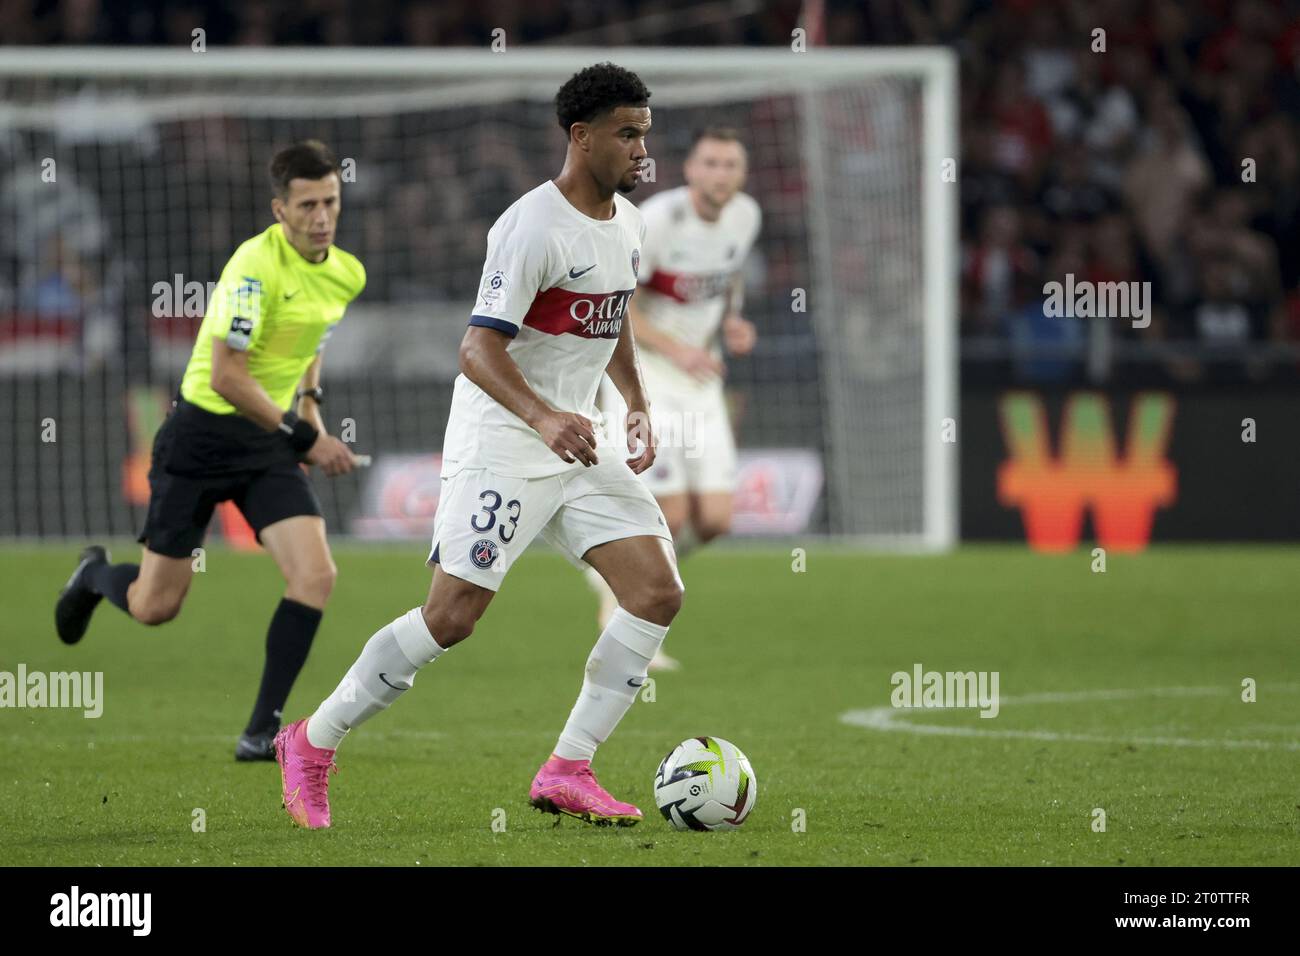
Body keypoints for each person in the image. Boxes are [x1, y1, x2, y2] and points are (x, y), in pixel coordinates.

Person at [273, 63, 682, 830]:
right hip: (505, 436)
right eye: (627, 134)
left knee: (656, 592)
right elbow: (475, 349)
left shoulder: (628, 221)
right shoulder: (531, 225)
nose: (639, 150)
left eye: (645, 134)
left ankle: (567, 768)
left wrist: (635, 400)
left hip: (579, 437)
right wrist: (543, 418)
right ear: (581, 136)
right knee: (452, 616)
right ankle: (311, 740)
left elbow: (613, 312)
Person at [54, 140, 364, 761]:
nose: (322, 216)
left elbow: (310, 339)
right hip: (201, 437)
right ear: (280, 210)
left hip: (268, 442)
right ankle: (95, 574)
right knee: (154, 606)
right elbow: (226, 376)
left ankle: (261, 731)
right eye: (307, 205)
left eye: (330, 200)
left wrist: (310, 405)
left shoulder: (345, 271)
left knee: (316, 575)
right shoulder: (253, 267)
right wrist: (306, 436)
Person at [588, 128, 761, 670]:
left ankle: (617, 572)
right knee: (670, 510)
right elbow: (620, 305)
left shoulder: (745, 217)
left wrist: (732, 323)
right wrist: (676, 349)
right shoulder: (658, 221)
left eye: (730, 164)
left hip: (702, 381)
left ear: (742, 173)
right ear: (690, 169)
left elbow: (728, 280)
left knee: (715, 520)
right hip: (647, 378)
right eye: (710, 162)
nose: (720, 174)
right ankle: (630, 606)